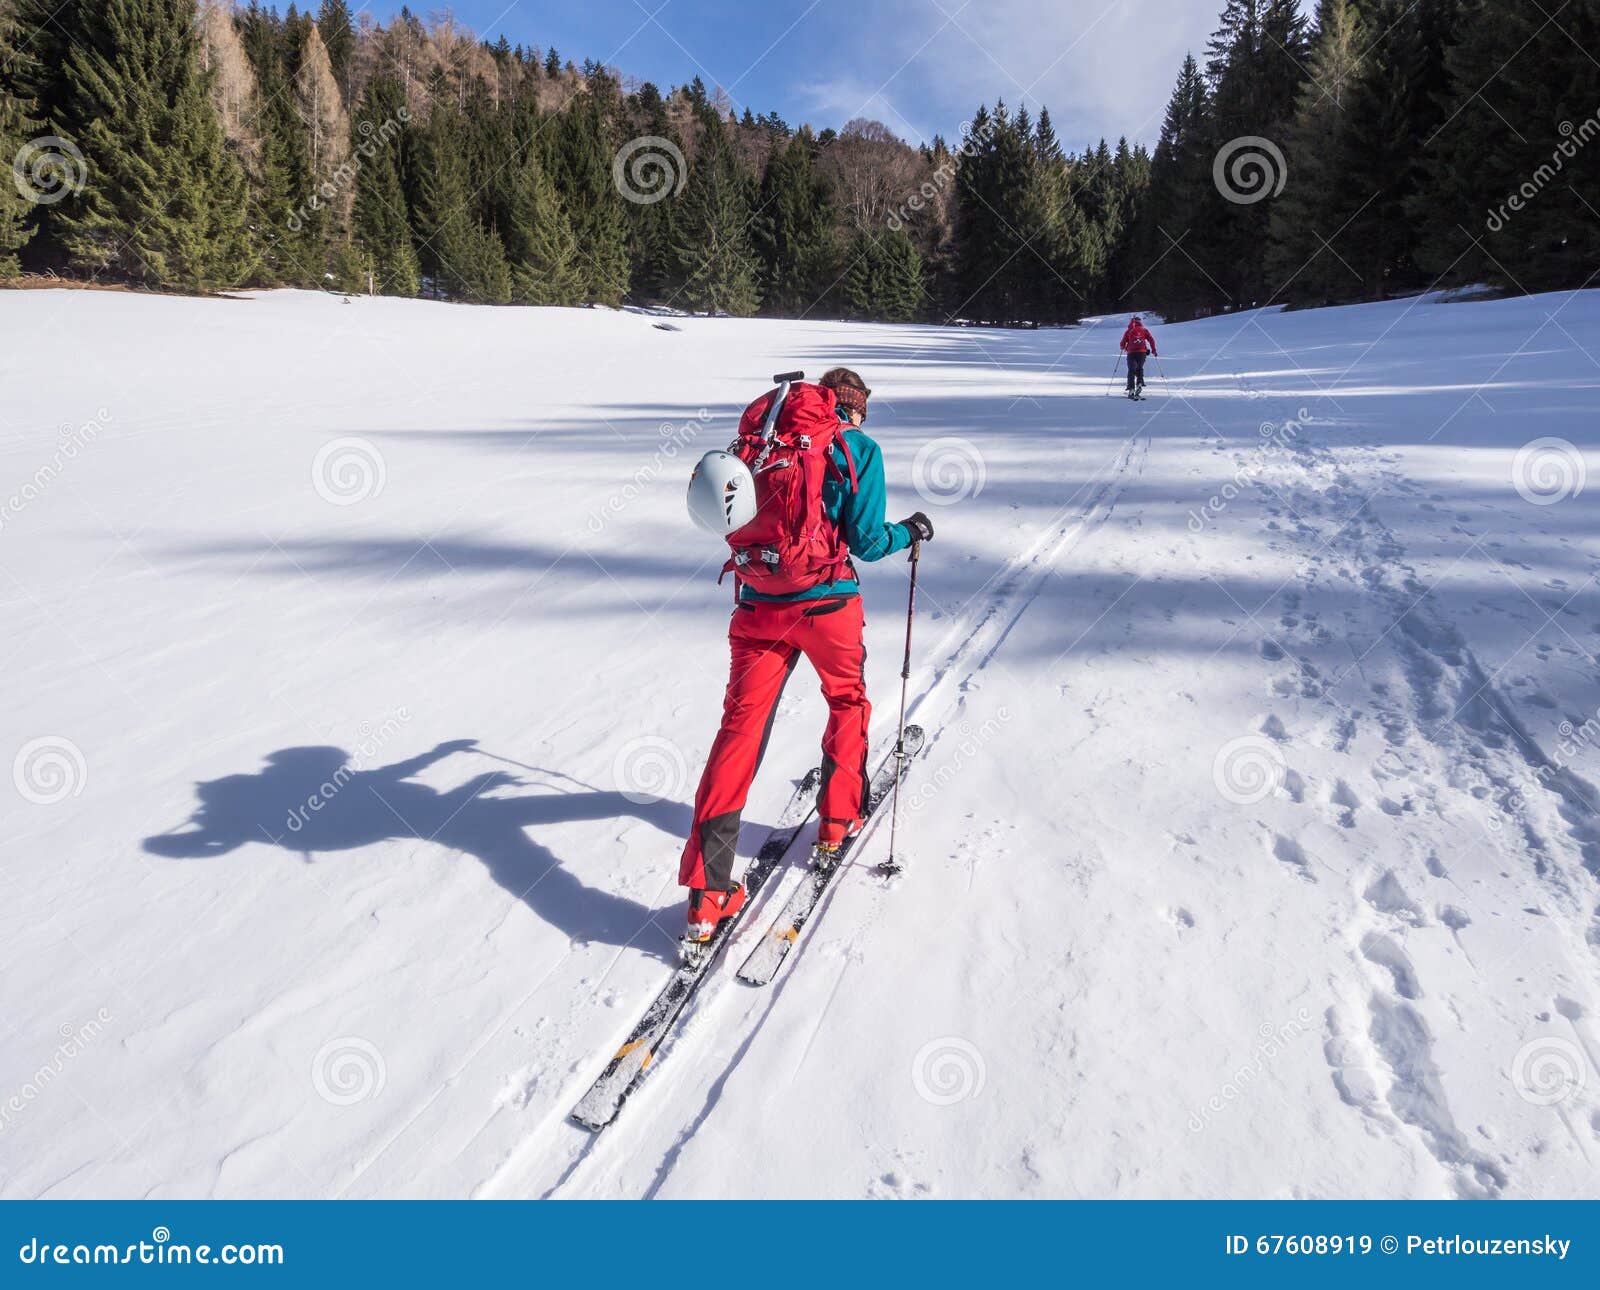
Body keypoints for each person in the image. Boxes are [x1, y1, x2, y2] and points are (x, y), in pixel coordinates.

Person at [678, 367, 934, 945]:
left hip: (759, 606)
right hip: (826, 605)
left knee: (738, 732)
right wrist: (910, 531)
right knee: (845, 699)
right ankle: (837, 822)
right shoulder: (857, 448)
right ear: (856, 407)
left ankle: (706, 894)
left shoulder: (764, 441)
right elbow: (867, 542)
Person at [1120, 314, 1158, 397]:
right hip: (1142, 352)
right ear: (1140, 322)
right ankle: (1139, 383)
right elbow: (1151, 339)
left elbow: (1122, 343)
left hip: (1131, 352)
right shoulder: (1144, 330)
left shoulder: (1128, 331)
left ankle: (1131, 388)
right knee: (1139, 368)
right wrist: (1154, 350)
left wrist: (1122, 347)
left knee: (1131, 370)